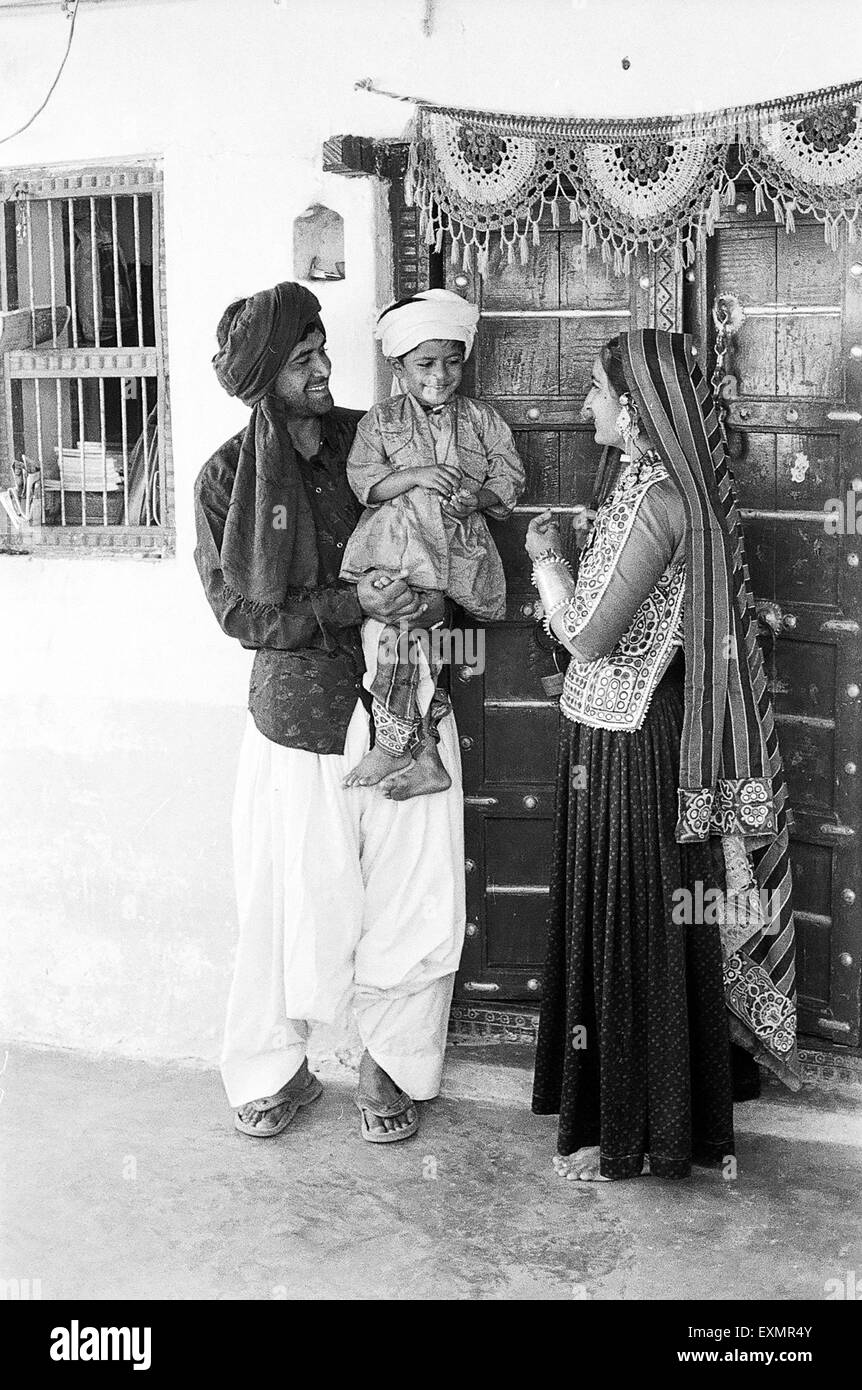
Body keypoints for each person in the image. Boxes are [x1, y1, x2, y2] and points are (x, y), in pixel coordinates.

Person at [193, 281, 466, 1145]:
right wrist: (353, 605)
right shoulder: (225, 481)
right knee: (291, 898)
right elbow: (242, 615)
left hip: (406, 699)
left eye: (322, 350)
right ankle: (277, 1069)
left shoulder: (374, 439)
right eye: (302, 359)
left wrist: (430, 603)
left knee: (416, 887)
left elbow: (441, 533)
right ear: (263, 378)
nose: (323, 368)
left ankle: (390, 1064)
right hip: (299, 719)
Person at [526, 329, 800, 1182]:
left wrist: (544, 564)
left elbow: (587, 635)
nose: (585, 410)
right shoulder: (646, 487)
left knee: (637, 926)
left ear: (635, 409)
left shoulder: (657, 501)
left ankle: (642, 1132)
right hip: (617, 734)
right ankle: (641, 1119)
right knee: (635, 922)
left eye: (597, 395)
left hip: (635, 746)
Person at [340, 289, 525, 796]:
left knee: (419, 643)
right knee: (412, 648)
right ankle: (424, 755)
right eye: (424, 363)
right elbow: (366, 484)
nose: (439, 375)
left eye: (451, 362)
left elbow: (511, 478)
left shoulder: (482, 419)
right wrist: (416, 474)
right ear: (399, 368)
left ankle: (396, 745)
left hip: (454, 560)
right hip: (394, 551)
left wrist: (478, 497)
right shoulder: (380, 420)